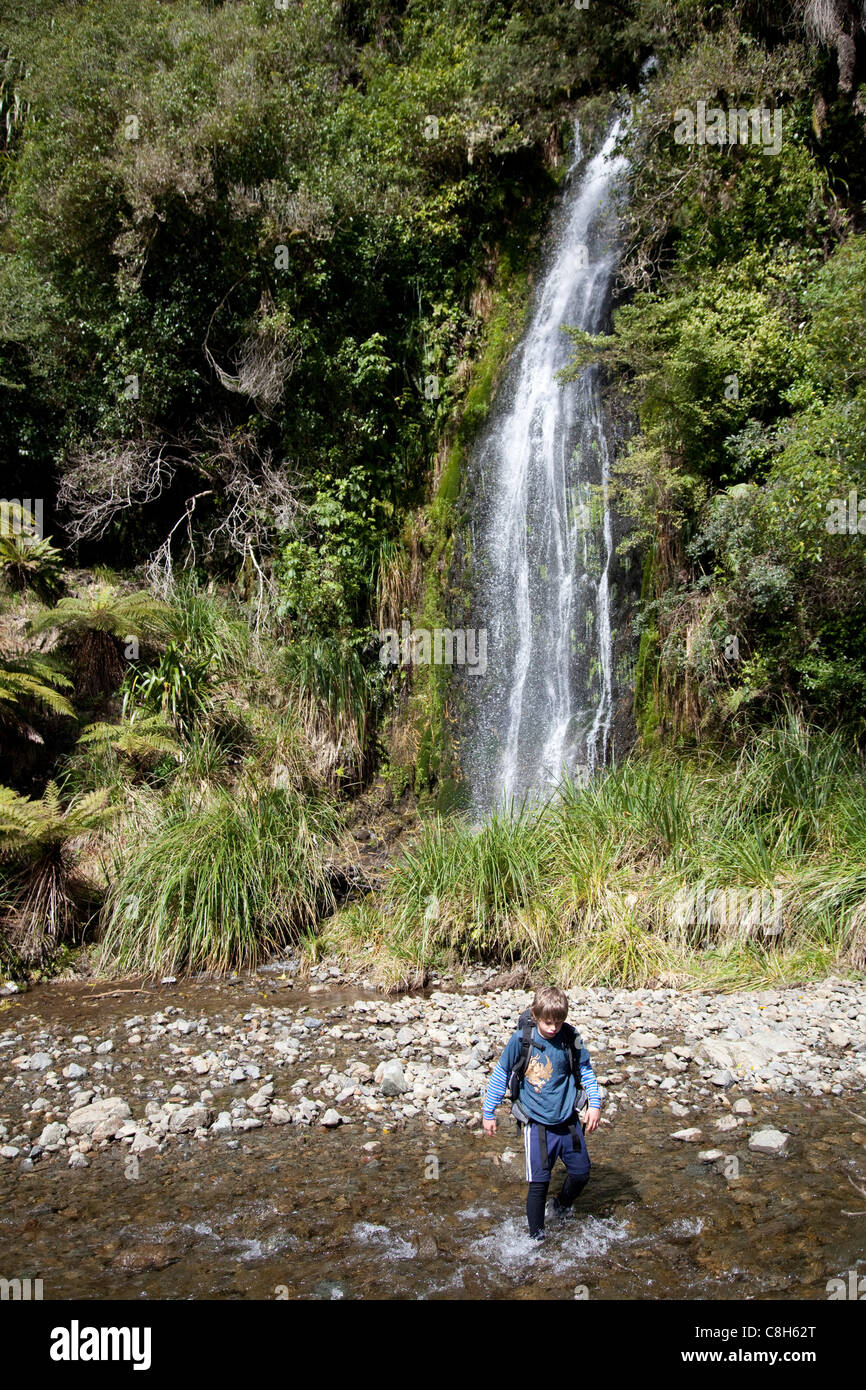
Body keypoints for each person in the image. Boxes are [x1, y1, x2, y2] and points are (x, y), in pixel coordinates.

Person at [482, 985, 602, 1241]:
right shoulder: (521, 1040)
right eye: (548, 1022)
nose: (553, 1028)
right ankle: (536, 1239)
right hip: (537, 1125)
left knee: (581, 1174)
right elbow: (501, 1074)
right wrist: (488, 1112)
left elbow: (585, 1069)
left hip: (568, 1119)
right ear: (536, 1016)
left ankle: (560, 1205)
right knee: (539, 1185)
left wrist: (595, 1104)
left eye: (558, 1022)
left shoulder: (570, 1037)